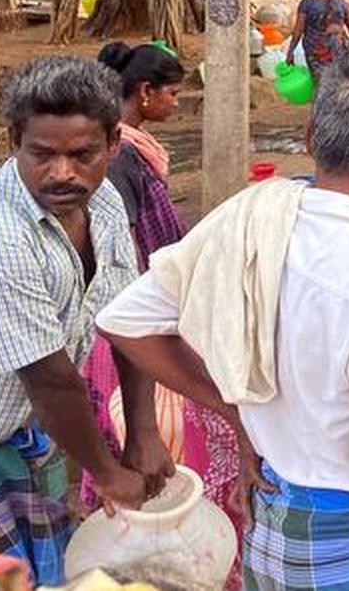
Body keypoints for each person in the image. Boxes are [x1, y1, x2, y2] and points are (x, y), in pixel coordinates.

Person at [97, 57, 349, 589]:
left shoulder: (250, 220)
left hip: (274, 527)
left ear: (310, 137)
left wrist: (236, 411)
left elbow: (125, 321)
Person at [0, 57, 172, 586]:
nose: (62, 173)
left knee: (48, 573)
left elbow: (128, 319)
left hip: (26, 433)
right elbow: (51, 379)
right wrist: (108, 474)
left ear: (114, 143)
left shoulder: (104, 201)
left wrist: (143, 430)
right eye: (42, 154)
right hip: (1, 435)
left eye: (81, 155)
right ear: (14, 141)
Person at [87, 43, 243, 585]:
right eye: (173, 93)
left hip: (147, 310)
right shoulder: (121, 162)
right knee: (144, 428)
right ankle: (145, 533)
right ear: (145, 92)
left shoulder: (136, 153)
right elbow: (123, 252)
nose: (178, 103)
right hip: (134, 322)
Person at [286, 0, 349, 83]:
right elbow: (298, 29)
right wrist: (291, 51)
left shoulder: (340, 2)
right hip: (316, 53)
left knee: (341, 82)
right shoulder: (307, 3)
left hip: (340, 51)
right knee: (322, 83)